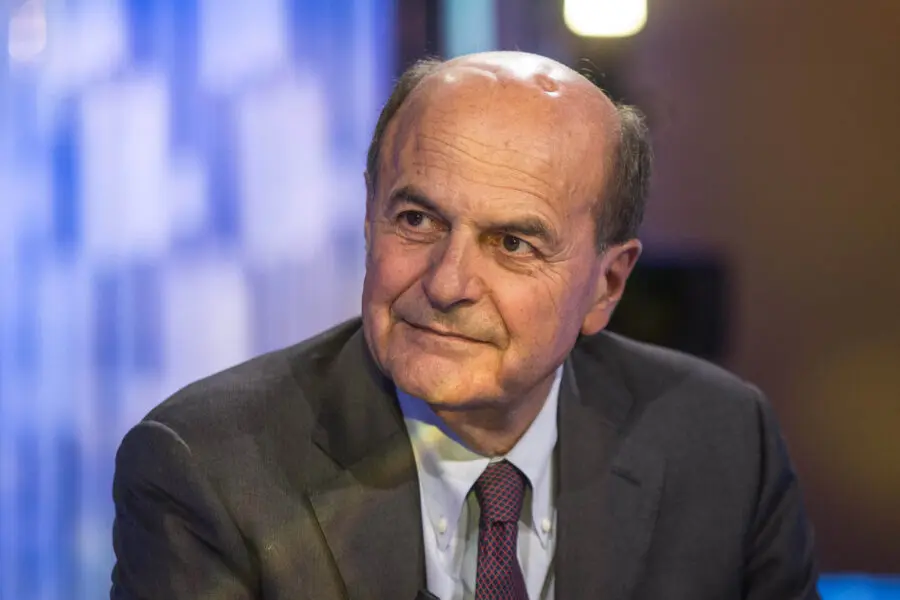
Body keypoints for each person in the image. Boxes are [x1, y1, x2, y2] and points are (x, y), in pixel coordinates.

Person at [110, 51, 819, 600]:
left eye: (513, 243)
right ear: (370, 221)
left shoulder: (724, 440)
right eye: (417, 219)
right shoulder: (207, 467)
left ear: (606, 285)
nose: (447, 284)